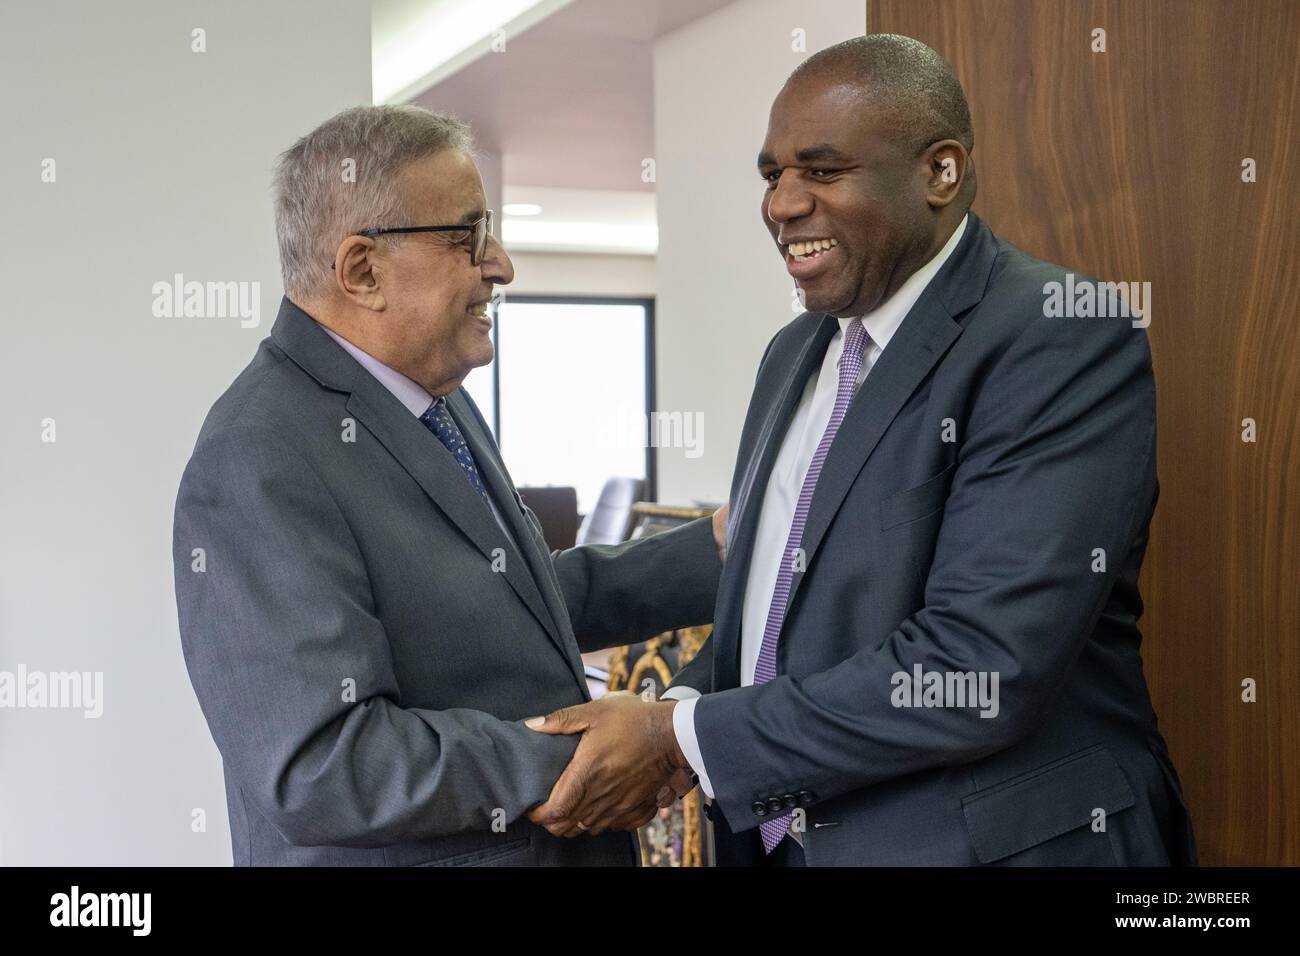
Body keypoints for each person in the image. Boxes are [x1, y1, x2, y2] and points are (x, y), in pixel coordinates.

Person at [527, 34, 1196, 867]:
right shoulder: (794, 353)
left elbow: (978, 669)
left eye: (823, 170)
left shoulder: (1059, 336)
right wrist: (681, 712)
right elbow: (767, 602)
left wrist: (679, 735)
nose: (782, 204)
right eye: (773, 175)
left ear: (940, 171)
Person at [172, 104, 721, 866]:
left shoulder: (438, 398)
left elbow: (517, 602)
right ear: (361, 269)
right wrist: (584, 756)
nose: (501, 264)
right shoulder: (258, 455)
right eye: (467, 235)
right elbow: (324, 765)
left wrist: (725, 549)